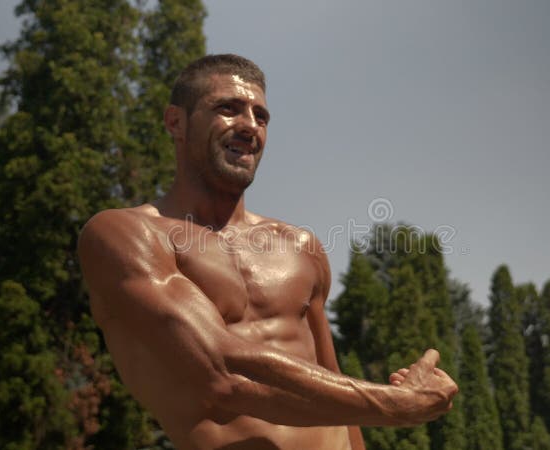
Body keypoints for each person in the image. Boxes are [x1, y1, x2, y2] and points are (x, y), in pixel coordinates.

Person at [78, 54, 458, 450]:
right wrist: (395, 404)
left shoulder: (300, 246)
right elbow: (221, 376)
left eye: (261, 116)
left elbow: (330, 376)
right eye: (228, 109)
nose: (249, 126)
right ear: (176, 122)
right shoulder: (126, 234)